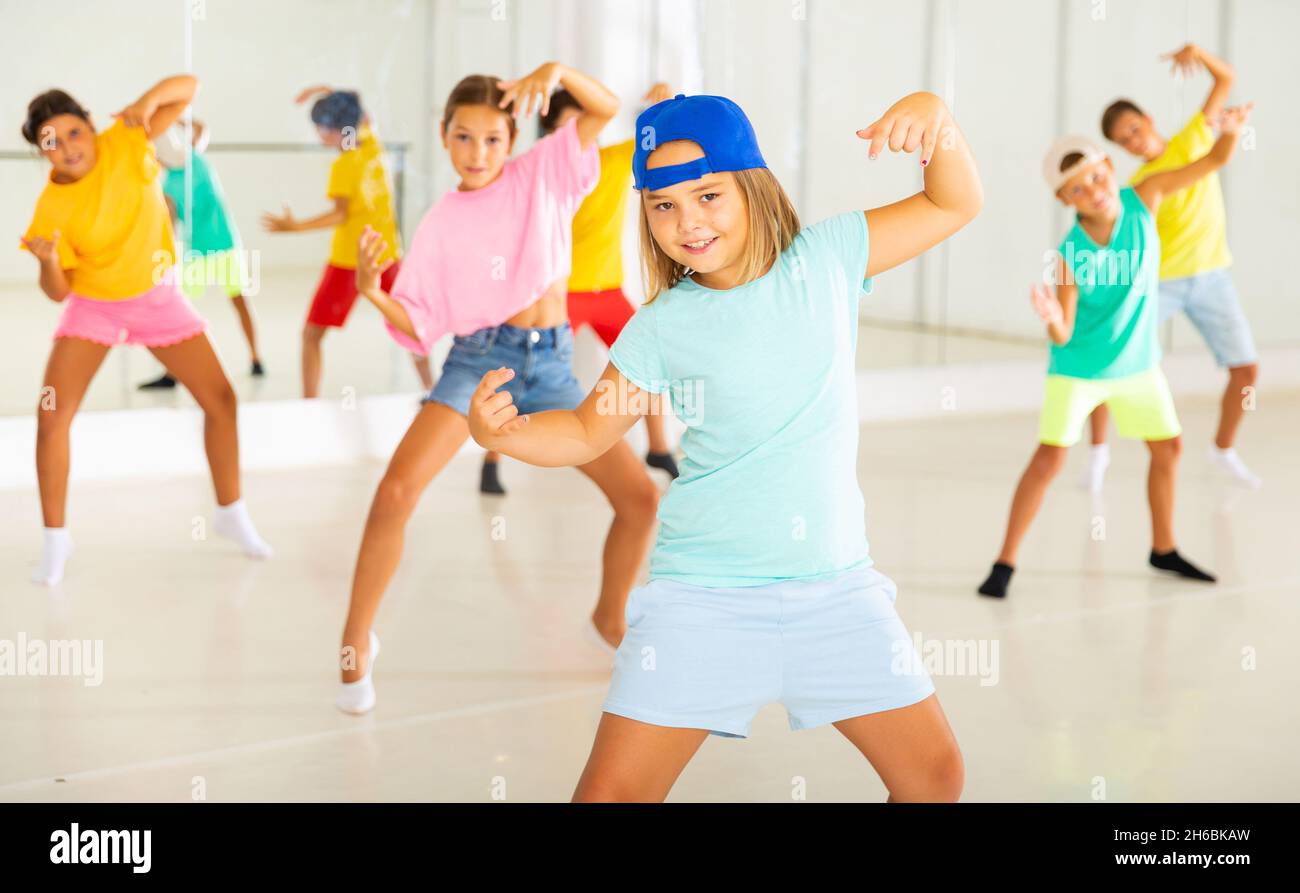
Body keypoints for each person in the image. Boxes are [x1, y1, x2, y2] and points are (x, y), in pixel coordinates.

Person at [469, 90, 982, 801]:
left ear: (752, 185)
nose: (688, 221)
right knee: (611, 793)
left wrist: (939, 121)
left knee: (935, 775)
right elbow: (590, 428)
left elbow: (952, 203)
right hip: (702, 598)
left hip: (835, 588)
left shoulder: (829, 257)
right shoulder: (663, 324)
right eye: (663, 205)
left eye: (708, 194)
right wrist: (506, 432)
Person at [335, 64, 660, 715]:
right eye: (463, 137)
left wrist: (560, 71)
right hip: (482, 360)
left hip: (556, 367)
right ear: (444, 136)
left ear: (512, 138)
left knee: (640, 499)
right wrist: (374, 292)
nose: (477, 153)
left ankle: (608, 617)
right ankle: (353, 642)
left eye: (490, 138)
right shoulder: (442, 222)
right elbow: (421, 319)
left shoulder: (546, 171)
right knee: (396, 491)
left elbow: (604, 109)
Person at [977, 107, 1252, 600]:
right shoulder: (1070, 254)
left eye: (1099, 177)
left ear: (1111, 170)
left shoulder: (1145, 198)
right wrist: (1049, 317)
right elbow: (1062, 334)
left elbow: (1211, 162)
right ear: (1064, 199)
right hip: (1079, 372)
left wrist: (1230, 132)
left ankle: (1163, 549)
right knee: (1049, 461)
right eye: (1079, 188)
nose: (1095, 190)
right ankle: (1005, 562)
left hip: (1138, 367)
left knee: (1168, 449)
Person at [19, 76, 273, 587]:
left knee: (222, 400)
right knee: (52, 417)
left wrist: (144, 102)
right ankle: (55, 540)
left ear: (89, 127)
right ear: (41, 152)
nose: (67, 147)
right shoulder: (51, 208)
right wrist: (47, 262)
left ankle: (230, 512)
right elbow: (59, 292)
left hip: (157, 298)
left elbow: (190, 87)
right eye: (51, 141)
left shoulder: (125, 139)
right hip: (94, 306)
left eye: (73, 132)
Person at [479, 81, 680, 496]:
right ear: (552, 135)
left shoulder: (613, 159)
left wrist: (661, 108)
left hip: (608, 292)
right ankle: (491, 459)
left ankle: (658, 448)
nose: (580, 136)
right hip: (561, 298)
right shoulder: (543, 177)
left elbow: (658, 140)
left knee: (651, 365)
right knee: (522, 371)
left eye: (584, 125)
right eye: (568, 128)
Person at [1087, 42, 1260, 490]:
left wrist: (1198, 54)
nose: (1132, 141)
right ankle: (1098, 454)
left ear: (1146, 118)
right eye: (1123, 141)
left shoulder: (1193, 138)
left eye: (1132, 129)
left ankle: (1223, 449)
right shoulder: (1138, 186)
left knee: (1246, 372)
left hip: (1213, 277)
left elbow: (1226, 79)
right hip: (1161, 284)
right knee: (1109, 356)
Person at [262, 86, 432, 398]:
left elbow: (339, 215)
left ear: (331, 128)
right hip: (387, 254)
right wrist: (323, 93)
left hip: (350, 261)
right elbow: (357, 106)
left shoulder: (344, 165)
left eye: (320, 128)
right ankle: (432, 389)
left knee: (311, 334)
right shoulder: (371, 142)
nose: (318, 136)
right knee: (410, 327)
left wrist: (295, 227)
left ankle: (308, 402)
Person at [139, 119, 263, 389]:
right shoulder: (196, 158)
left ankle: (172, 374)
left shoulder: (168, 185)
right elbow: (202, 128)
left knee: (178, 309)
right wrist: (174, 118)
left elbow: (168, 229)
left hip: (201, 252)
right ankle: (256, 359)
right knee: (240, 301)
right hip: (226, 244)